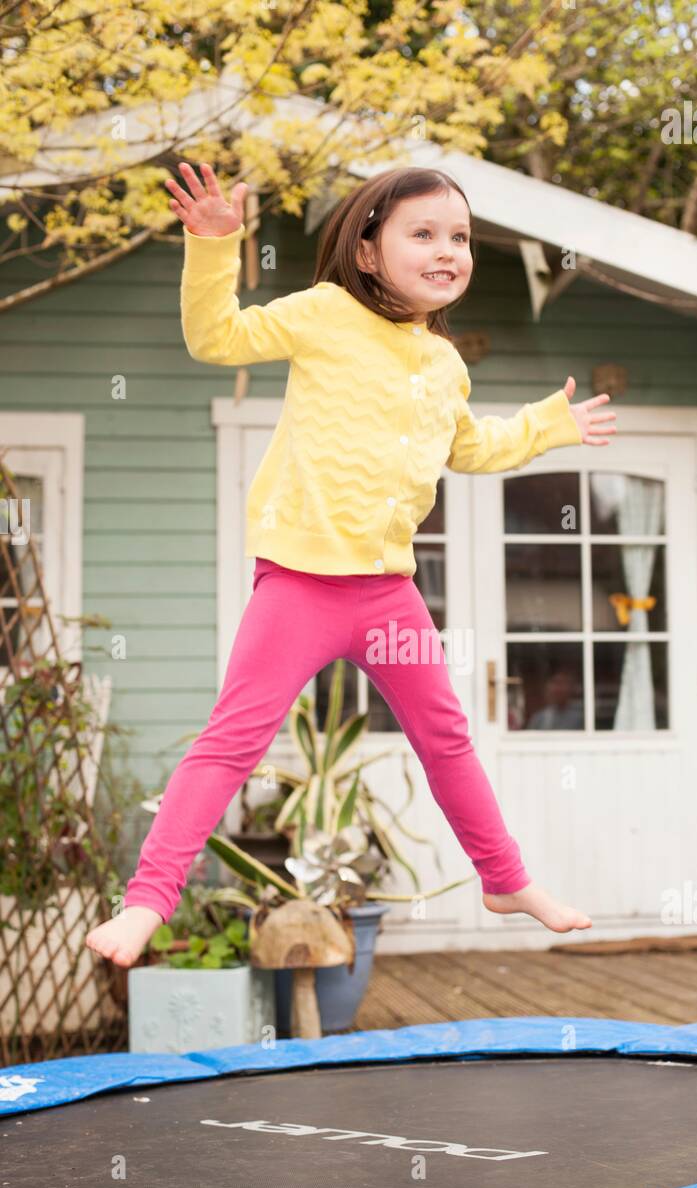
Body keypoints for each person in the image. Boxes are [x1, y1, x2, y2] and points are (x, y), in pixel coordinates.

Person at [86, 161, 616, 969]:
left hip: (387, 594)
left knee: (446, 736)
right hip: (299, 584)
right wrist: (212, 244)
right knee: (230, 743)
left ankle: (504, 879)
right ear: (368, 251)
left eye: (462, 238)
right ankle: (147, 902)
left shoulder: (444, 364)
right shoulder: (325, 314)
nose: (449, 251)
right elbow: (215, 337)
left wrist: (550, 427)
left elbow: (469, 447)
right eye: (425, 234)